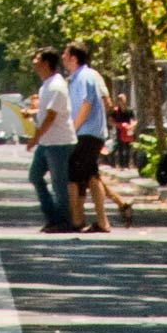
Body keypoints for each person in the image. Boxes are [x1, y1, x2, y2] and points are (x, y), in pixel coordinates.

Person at [62, 41, 113, 233]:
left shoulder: (86, 76)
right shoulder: (76, 78)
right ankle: (102, 221)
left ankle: (76, 220)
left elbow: (87, 104)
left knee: (73, 176)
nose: (63, 58)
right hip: (88, 133)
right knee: (92, 176)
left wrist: (73, 129)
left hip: (86, 133)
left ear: (74, 58)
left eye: (65, 54)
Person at [25, 47, 76, 234]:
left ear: (46, 63)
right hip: (47, 142)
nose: (34, 61)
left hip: (59, 143)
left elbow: (51, 117)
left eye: (37, 58)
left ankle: (63, 221)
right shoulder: (45, 85)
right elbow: (45, 112)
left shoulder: (56, 86)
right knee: (35, 176)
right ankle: (52, 217)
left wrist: (35, 138)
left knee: (59, 184)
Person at [110, 94, 137, 170]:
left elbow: (135, 120)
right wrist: (117, 124)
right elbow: (111, 120)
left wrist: (131, 126)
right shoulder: (116, 111)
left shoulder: (129, 110)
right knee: (120, 147)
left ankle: (127, 165)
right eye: (119, 99)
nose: (121, 101)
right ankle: (121, 165)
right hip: (120, 131)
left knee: (128, 148)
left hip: (128, 131)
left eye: (122, 99)